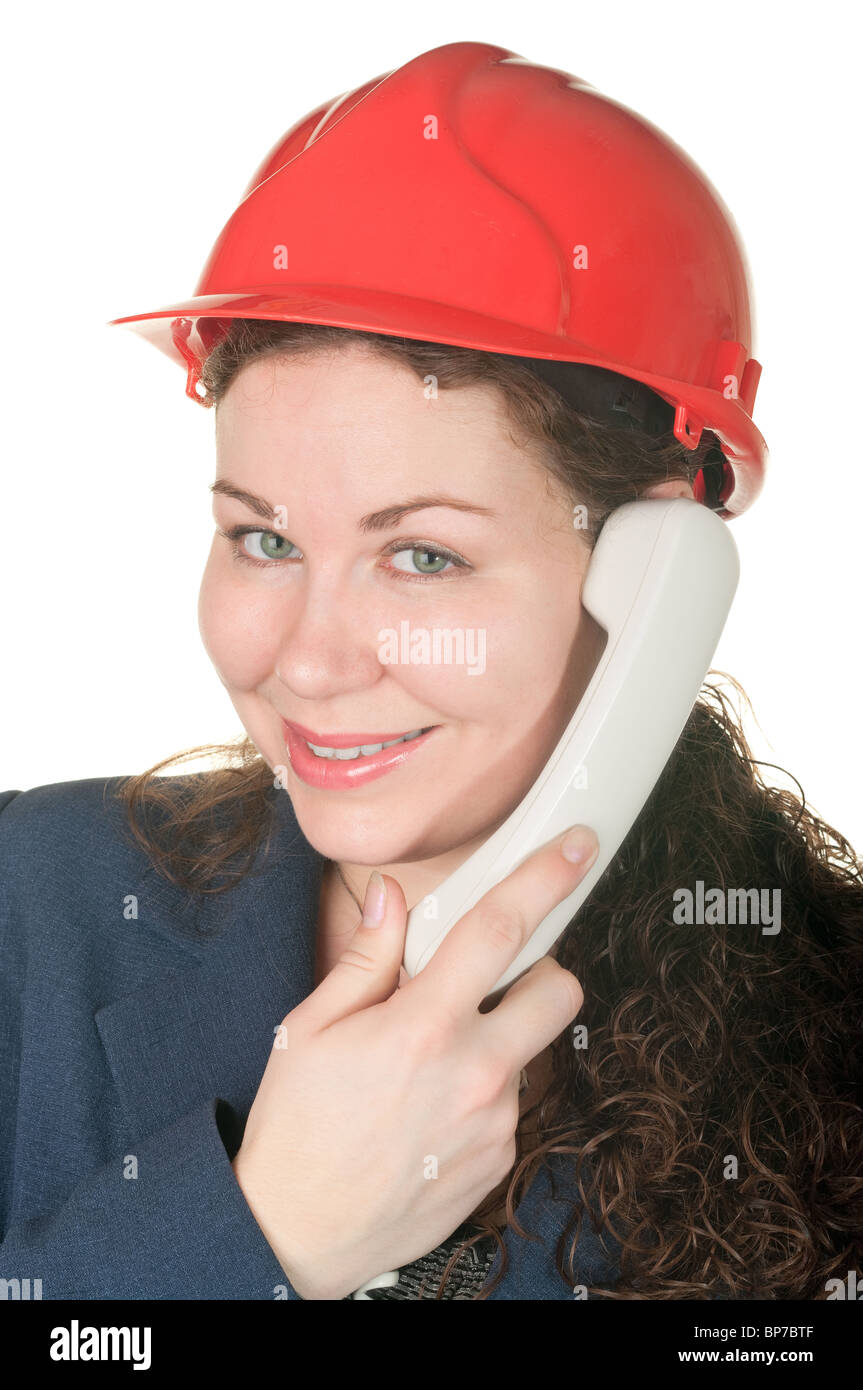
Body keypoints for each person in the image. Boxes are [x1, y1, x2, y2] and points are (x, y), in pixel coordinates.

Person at [2, 42, 861, 1302]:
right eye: (265, 538)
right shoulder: (34, 905)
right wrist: (254, 1238)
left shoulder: (826, 1035)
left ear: (657, 575)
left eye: (420, 555)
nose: (302, 656)